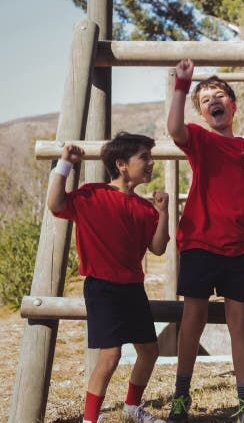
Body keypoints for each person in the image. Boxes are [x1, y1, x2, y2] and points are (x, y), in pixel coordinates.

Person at [166, 63, 244, 422]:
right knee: (193, 317)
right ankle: (181, 396)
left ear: (233, 104)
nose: (213, 101)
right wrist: (182, 85)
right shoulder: (199, 138)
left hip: (239, 245)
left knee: (240, 322)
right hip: (199, 241)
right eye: (205, 99)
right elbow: (173, 128)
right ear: (201, 112)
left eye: (219, 95)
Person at [48, 133, 169, 423]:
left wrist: (164, 213)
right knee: (111, 356)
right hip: (102, 288)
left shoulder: (144, 208)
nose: (151, 163)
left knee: (149, 352)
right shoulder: (91, 195)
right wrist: (64, 164)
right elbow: (55, 204)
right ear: (122, 164)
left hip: (133, 288)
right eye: (144, 157)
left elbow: (158, 247)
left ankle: (131, 408)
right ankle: (90, 420)